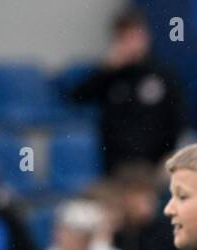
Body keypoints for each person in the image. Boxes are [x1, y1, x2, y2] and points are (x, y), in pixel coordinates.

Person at [70, 8, 185, 173]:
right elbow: (77, 97)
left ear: (145, 37)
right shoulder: (109, 76)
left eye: (134, 37)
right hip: (115, 164)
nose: (130, 44)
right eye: (124, 39)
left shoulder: (163, 74)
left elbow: (178, 119)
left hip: (152, 165)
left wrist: (168, 158)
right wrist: (106, 70)